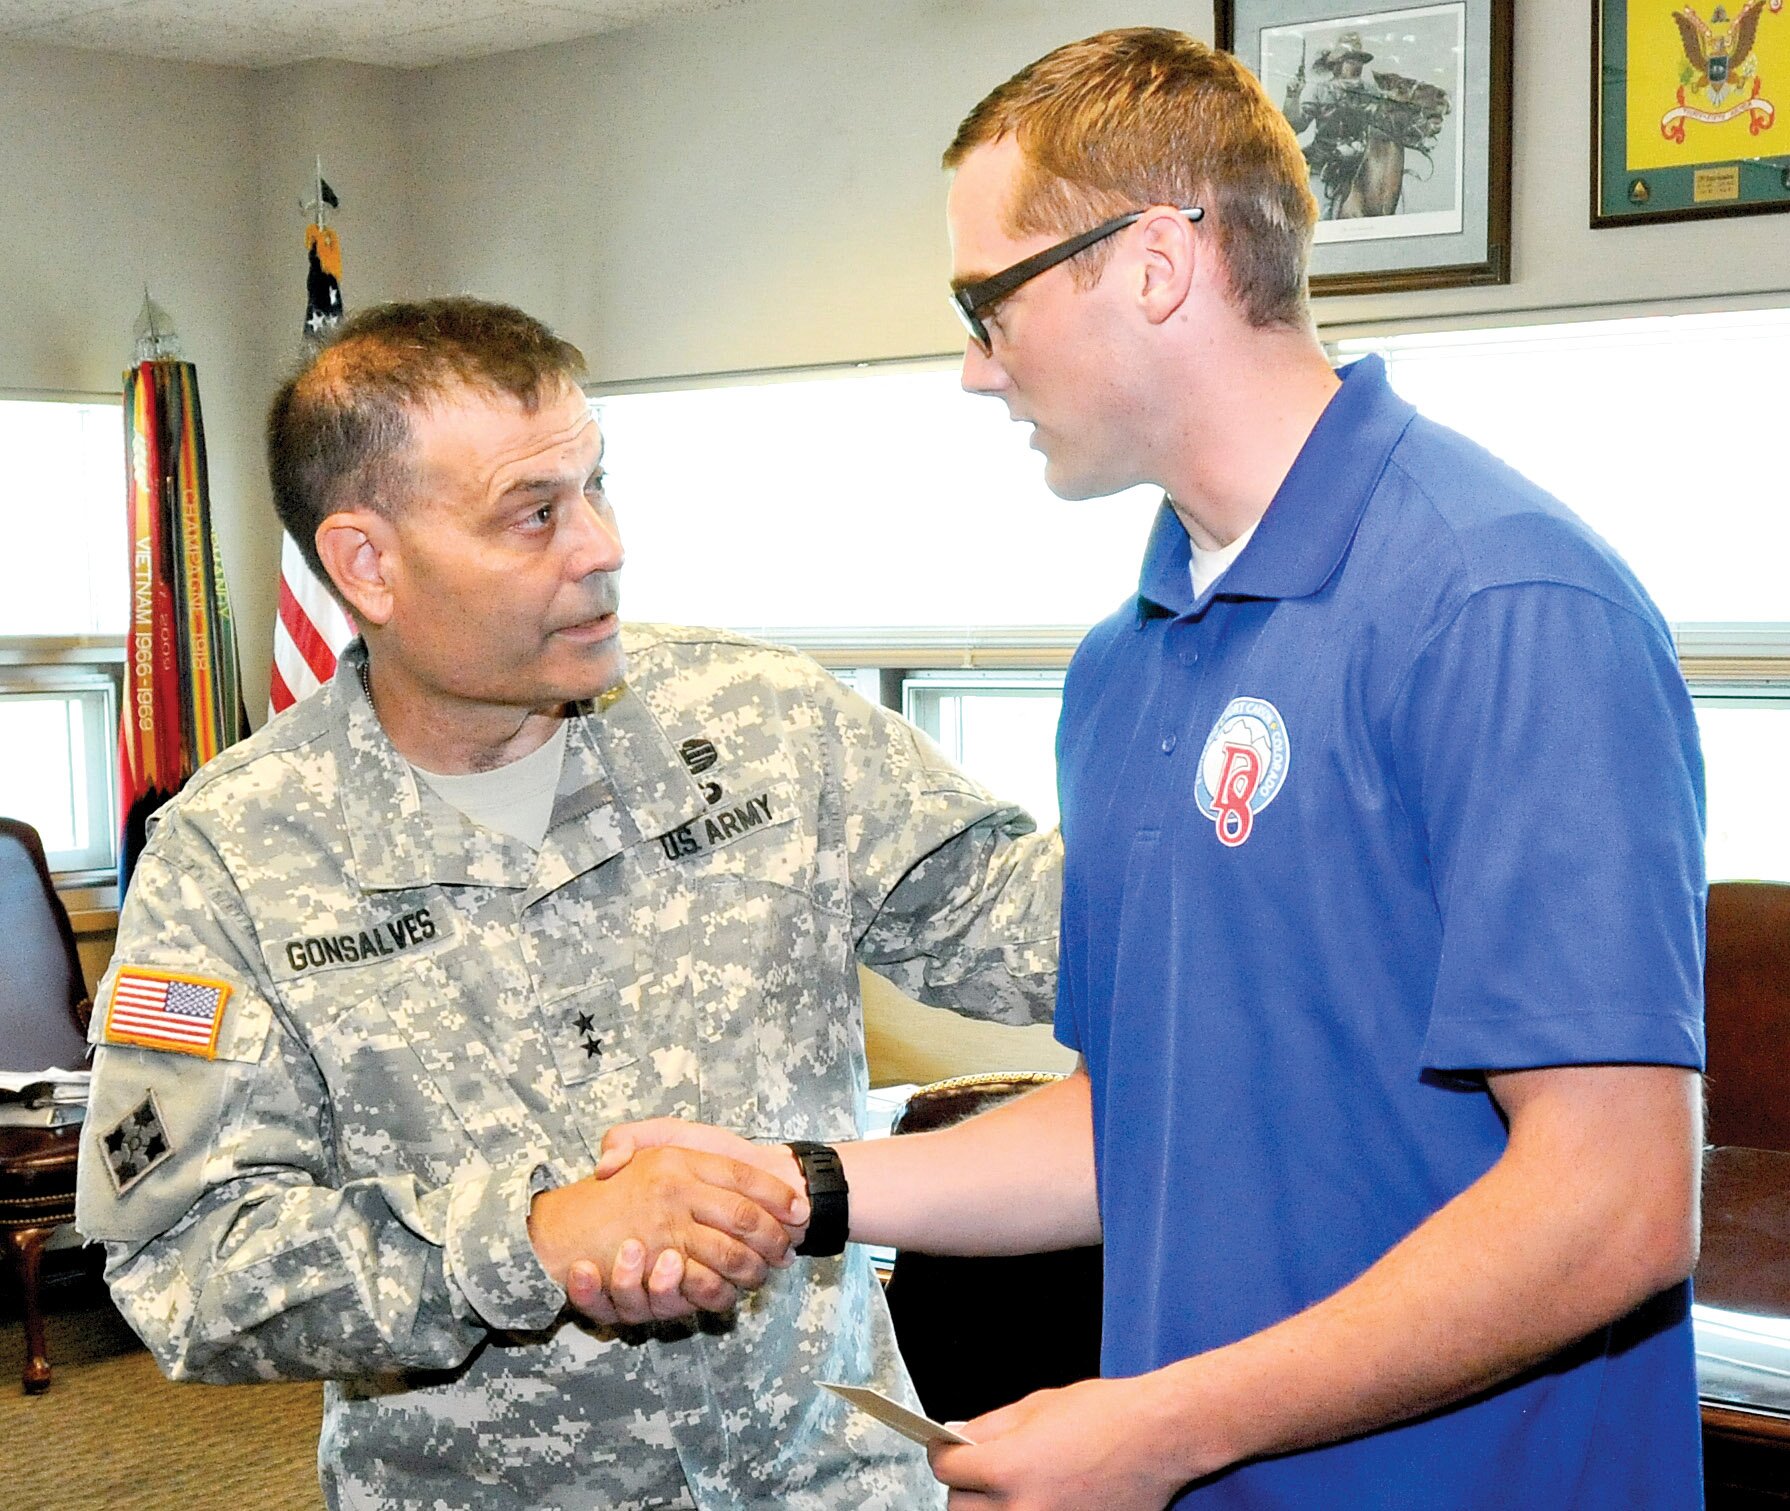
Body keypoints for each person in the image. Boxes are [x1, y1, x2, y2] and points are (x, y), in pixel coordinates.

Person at [579, 28, 1707, 1510]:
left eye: (987, 302)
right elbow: (1141, 1123)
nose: (974, 367)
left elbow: (1615, 1200)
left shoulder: (1499, 603)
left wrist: (1162, 1422)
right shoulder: (1131, 657)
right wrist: (803, 1182)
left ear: (1156, 264)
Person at [74, 297, 1061, 1510]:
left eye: (596, 487)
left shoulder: (763, 724)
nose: (599, 546)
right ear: (365, 562)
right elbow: (184, 1262)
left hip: (826, 1479)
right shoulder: (232, 855)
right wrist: (530, 1240)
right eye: (533, 512)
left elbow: (1046, 937)